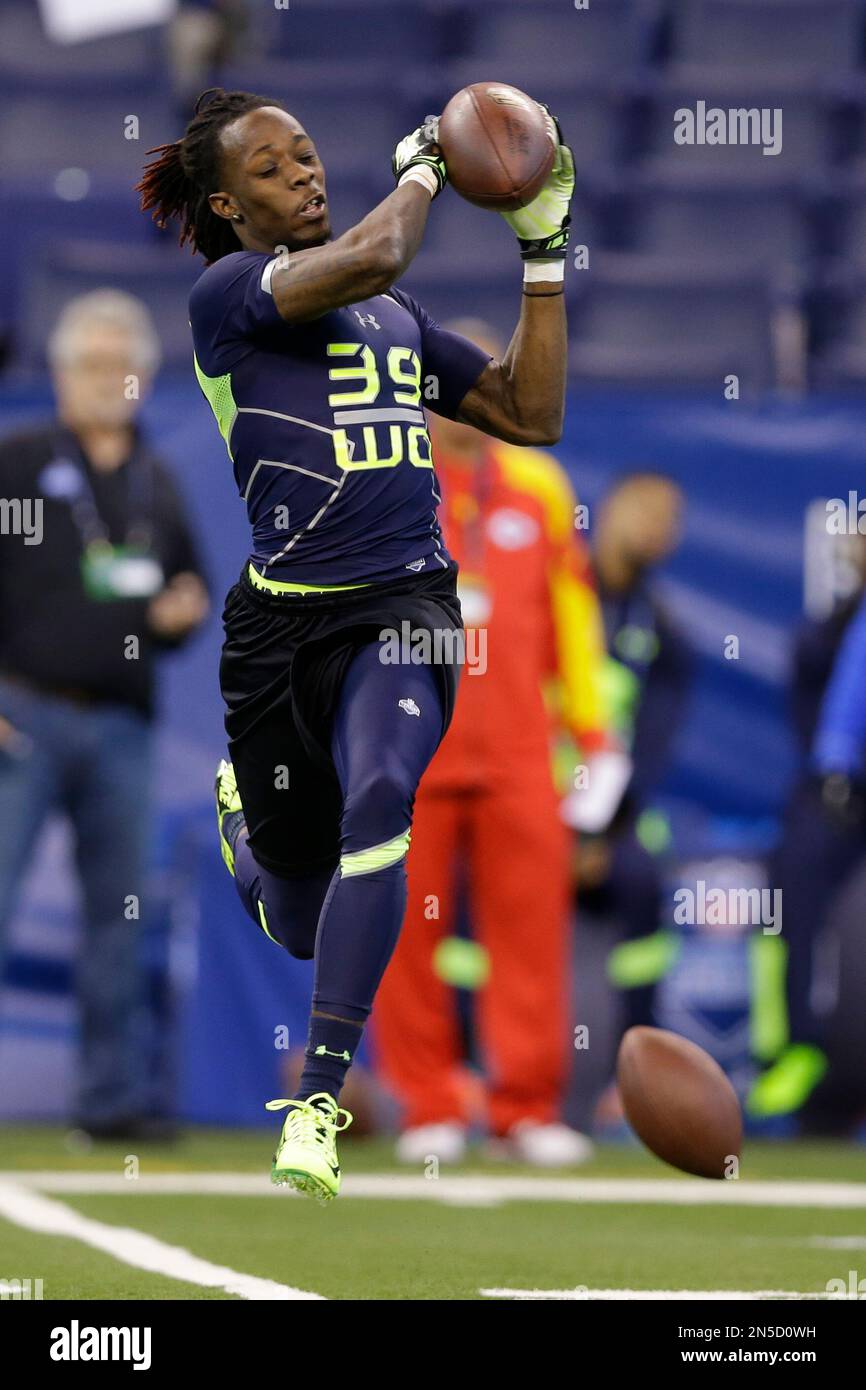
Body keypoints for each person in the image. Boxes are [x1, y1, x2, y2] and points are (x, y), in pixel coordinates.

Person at [137, 87, 575, 1199]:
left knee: (384, 792)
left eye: (311, 154)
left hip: (406, 608)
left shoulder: (396, 312)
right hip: (284, 628)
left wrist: (541, 250)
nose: (308, 176)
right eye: (277, 170)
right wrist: (432, 162)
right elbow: (375, 251)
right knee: (295, 918)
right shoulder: (229, 296)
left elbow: (529, 414)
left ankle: (318, 1102)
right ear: (231, 205)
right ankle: (251, 815)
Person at [373, 320, 610, 1166]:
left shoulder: (541, 486)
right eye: (446, 381)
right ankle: (429, 1101)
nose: (462, 399)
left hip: (517, 749)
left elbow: (574, 620)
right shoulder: (386, 482)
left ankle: (524, 1107)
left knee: (530, 934)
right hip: (409, 750)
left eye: (478, 380)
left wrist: (596, 735)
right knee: (403, 935)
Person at [0, 290, 209, 1138]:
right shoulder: (16, 466)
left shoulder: (156, 481)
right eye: (92, 363)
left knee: (118, 918)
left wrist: (181, 613)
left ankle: (108, 1102)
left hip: (122, 727)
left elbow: (185, 587)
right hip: (23, 718)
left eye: (123, 366)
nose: (108, 380)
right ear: (59, 374)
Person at [575, 472, 691, 1127]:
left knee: (645, 880)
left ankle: (629, 1070)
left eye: (669, 519)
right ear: (610, 509)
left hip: (612, 818)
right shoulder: (556, 595)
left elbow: (650, 748)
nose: (654, 528)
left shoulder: (665, 633)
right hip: (528, 802)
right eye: (644, 510)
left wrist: (601, 834)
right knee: (465, 895)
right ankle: (469, 1067)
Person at [749, 557, 866, 1120]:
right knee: (788, 886)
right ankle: (790, 1050)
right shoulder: (828, 629)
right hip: (839, 792)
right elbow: (821, 725)